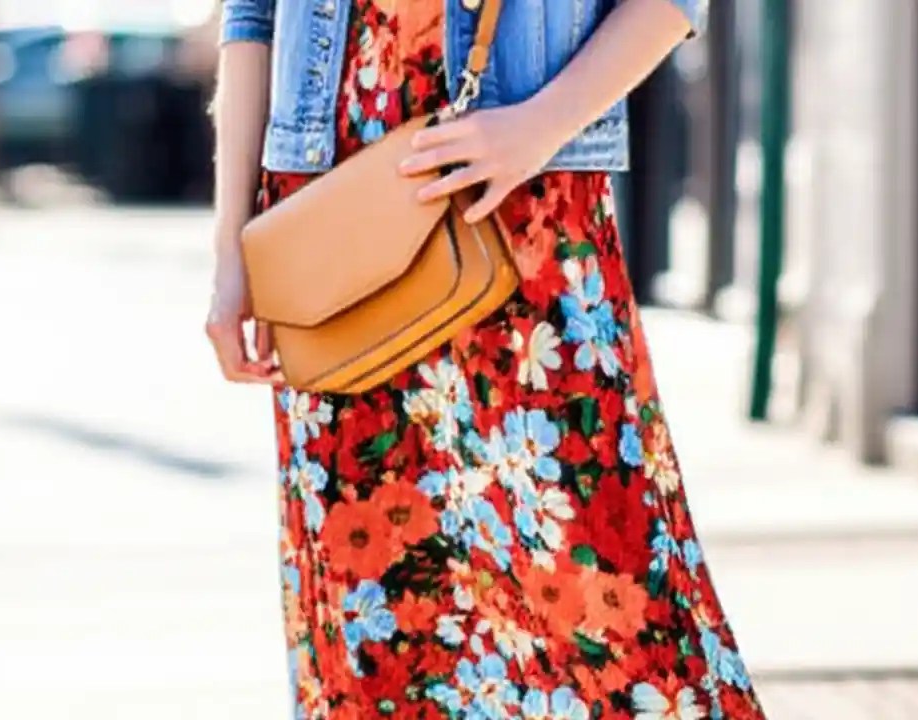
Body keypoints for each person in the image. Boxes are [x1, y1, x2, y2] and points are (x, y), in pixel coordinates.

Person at [207, 1, 766, 717]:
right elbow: (252, 16)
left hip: (520, 203)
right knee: (378, 629)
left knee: (599, 595)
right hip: (330, 231)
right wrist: (232, 252)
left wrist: (540, 124)